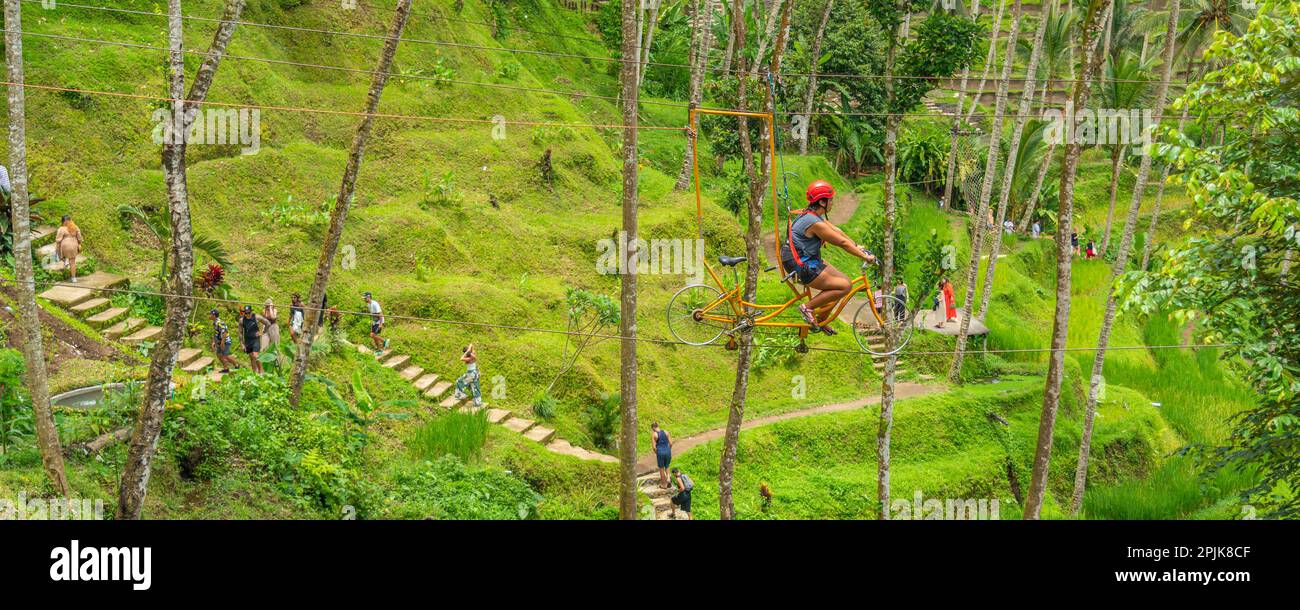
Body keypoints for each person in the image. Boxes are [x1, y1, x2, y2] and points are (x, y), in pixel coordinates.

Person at [779, 180, 877, 335]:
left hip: (806, 259)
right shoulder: (814, 222)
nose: (832, 202)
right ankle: (807, 308)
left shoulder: (812, 215)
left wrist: (856, 246)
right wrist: (864, 257)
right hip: (800, 264)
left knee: (843, 282)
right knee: (844, 286)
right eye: (831, 200)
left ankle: (821, 319)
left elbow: (837, 231)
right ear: (822, 202)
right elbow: (842, 243)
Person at [54, 215, 83, 282]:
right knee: (72, 262)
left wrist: (57, 250)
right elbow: (79, 238)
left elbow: (58, 241)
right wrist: (79, 244)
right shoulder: (75, 227)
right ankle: (73, 278)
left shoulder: (61, 229)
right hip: (74, 245)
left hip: (65, 245)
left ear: (63, 221)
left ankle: (65, 260)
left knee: (61, 256)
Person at [209, 309, 239, 373]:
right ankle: (226, 368)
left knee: (225, 355)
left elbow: (224, 332)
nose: (209, 316)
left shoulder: (220, 322)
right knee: (219, 354)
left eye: (210, 314)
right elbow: (216, 333)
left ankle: (237, 365)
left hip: (225, 341)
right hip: (220, 341)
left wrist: (222, 343)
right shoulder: (215, 323)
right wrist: (214, 342)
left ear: (214, 315)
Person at [239, 305, 263, 374]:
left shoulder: (256, 317)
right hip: (247, 340)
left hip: (255, 339)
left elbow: (266, 323)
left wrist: (261, 332)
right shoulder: (242, 320)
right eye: (246, 313)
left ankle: (261, 371)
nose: (247, 314)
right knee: (251, 357)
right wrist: (242, 344)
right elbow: (240, 332)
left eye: (248, 313)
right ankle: (254, 372)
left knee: (256, 355)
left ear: (251, 312)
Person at [363, 292, 388, 356]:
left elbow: (380, 314)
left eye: (365, 298)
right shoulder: (368, 305)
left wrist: (380, 324)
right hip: (374, 321)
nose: (364, 299)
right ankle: (379, 350)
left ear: (369, 297)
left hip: (379, 321)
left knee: (372, 335)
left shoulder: (375, 304)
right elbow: (372, 314)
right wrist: (372, 322)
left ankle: (384, 341)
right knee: (374, 337)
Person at [651, 422, 673, 489]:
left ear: (653, 428)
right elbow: (671, 443)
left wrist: (657, 452)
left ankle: (664, 484)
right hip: (667, 451)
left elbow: (654, 447)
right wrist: (668, 449)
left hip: (660, 452)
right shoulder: (666, 432)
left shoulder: (654, 434)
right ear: (658, 426)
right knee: (667, 465)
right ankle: (668, 479)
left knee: (661, 468)